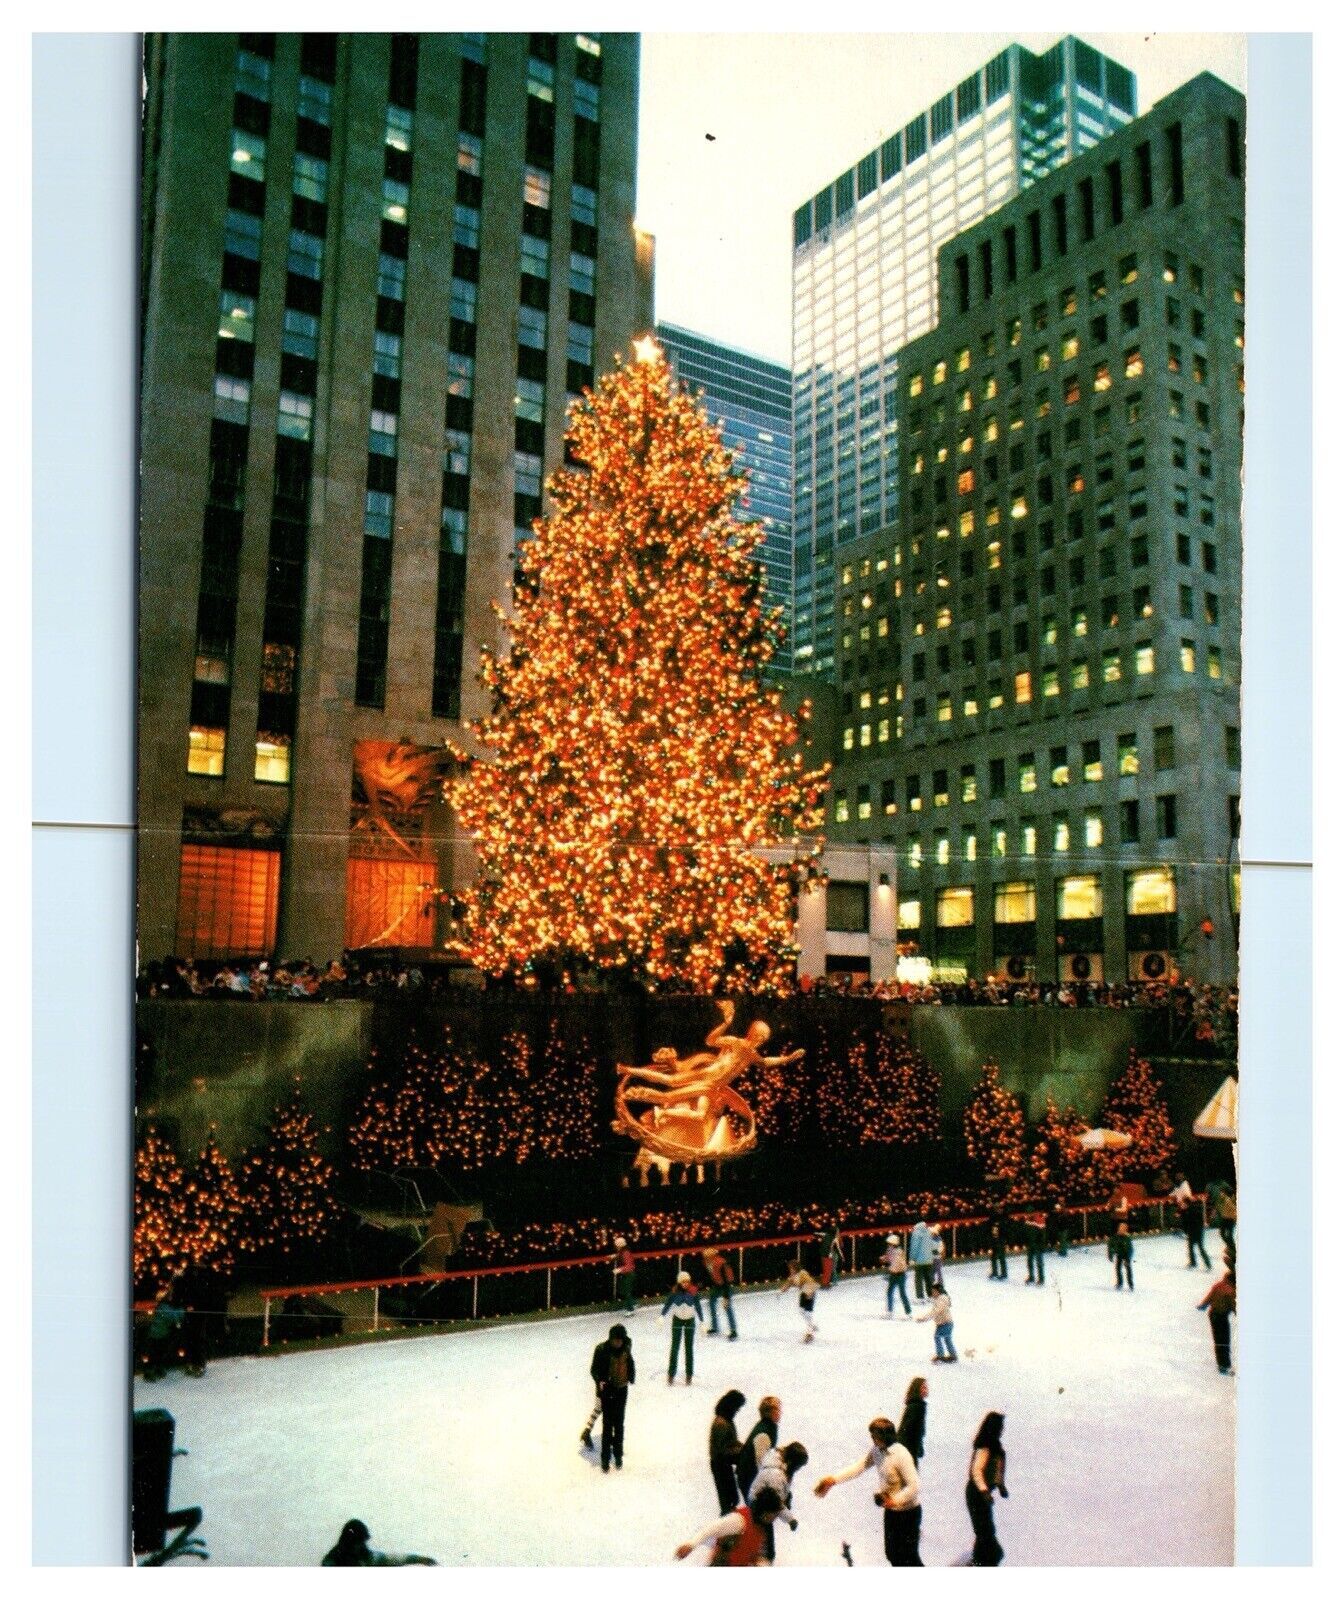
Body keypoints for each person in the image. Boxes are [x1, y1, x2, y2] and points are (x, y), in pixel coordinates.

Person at [813, 1416, 923, 1567]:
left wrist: (895, 1500)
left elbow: (914, 1486)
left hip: (908, 1514)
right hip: (892, 1513)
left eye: (874, 1436)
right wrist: (833, 1480)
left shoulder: (901, 1454)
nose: (872, 1439)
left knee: (909, 1558)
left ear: (885, 1436)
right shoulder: (877, 1451)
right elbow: (859, 1467)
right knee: (892, 1554)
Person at [675, 1486, 783, 1566]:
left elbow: (752, 1552)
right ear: (765, 1512)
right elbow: (710, 1529)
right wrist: (691, 1544)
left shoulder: (760, 1528)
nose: (775, 1518)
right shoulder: (738, 1521)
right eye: (774, 1514)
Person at [747, 1441, 809, 1564]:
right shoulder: (776, 1475)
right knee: (767, 1551)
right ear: (792, 1462)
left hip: (760, 1509)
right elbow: (775, 1504)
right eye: (799, 1466)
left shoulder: (777, 1467)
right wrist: (791, 1520)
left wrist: (787, 1496)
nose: (798, 1469)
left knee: (762, 1547)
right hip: (760, 1512)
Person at [589, 1323, 635, 1471]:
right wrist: (600, 1380)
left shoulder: (626, 1348)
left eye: (619, 1340)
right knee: (608, 1425)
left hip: (622, 1390)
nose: (617, 1343)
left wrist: (631, 1377)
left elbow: (630, 1363)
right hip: (607, 1391)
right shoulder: (601, 1350)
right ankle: (605, 1458)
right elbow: (594, 1369)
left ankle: (618, 1455)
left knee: (619, 1424)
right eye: (615, 1340)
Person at [965, 1413, 1009, 1566]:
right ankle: (986, 1559)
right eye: (1001, 1426)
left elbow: (997, 1469)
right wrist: (984, 1491)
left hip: (983, 1493)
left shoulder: (995, 1445)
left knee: (984, 1529)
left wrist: (1000, 1486)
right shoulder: (985, 1446)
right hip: (977, 1494)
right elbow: (977, 1471)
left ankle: (982, 1559)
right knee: (984, 1530)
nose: (1003, 1429)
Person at [320, 1519, 436, 1566]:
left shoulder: (366, 1557)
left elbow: (392, 1559)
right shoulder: (332, 1561)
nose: (361, 1545)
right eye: (359, 1542)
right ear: (350, 1542)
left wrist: (419, 1559)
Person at [736, 1396, 782, 1503]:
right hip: (749, 1478)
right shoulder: (764, 1433)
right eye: (777, 1410)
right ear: (770, 1412)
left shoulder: (769, 1426)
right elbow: (761, 1461)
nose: (780, 1413)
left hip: (751, 1476)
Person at [709, 1390, 747, 1513]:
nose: (738, 1411)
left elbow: (731, 1442)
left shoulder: (727, 1420)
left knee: (731, 1498)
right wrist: (741, 1451)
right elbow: (723, 1450)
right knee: (728, 1500)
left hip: (722, 1464)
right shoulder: (722, 1424)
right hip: (720, 1465)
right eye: (737, 1408)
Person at [663, 1270, 703, 1383]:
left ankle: (689, 1374)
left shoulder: (694, 1292)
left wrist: (702, 1321)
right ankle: (671, 1374)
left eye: (687, 1282)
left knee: (688, 1348)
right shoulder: (675, 1292)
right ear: (679, 1282)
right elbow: (668, 1304)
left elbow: (698, 1307)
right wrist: (662, 1315)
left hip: (690, 1321)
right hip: (677, 1321)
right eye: (683, 1282)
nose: (685, 1284)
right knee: (675, 1347)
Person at [1198, 1269, 1236, 1373]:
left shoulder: (1218, 1285)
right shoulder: (1231, 1291)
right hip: (1222, 1316)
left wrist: (1202, 1305)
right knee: (1224, 1340)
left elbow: (1209, 1297)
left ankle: (1222, 1364)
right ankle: (1224, 1365)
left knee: (1218, 1340)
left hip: (1213, 1315)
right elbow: (1234, 1306)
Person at [702, 1247, 738, 1339]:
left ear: (713, 1256)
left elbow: (726, 1280)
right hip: (717, 1285)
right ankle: (715, 1327)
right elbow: (711, 1275)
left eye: (707, 1256)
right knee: (711, 1303)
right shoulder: (706, 1263)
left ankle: (733, 1330)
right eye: (705, 1256)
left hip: (726, 1285)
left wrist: (726, 1297)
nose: (706, 1258)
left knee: (727, 1307)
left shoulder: (721, 1263)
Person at [781, 1260, 820, 1342]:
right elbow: (790, 1282)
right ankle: (812, 1325)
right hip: (803, 1292)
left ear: (795, 1268)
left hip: (810, 1290)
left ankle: (810, 1333)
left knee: (807, 1312)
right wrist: (784, 1289)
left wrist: (810, 1294)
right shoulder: (793, 1275)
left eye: (791, 1268)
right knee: (801, 1311)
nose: (790, 1270)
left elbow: (810, 1282)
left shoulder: (803, 1273)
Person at [895, 1377, 928, 1472]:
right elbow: (908, 1431)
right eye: (923, 1387)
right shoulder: (918, 1406)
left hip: (907, 1452)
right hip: (909, 1453)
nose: (926, 1390)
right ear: (917, 1388)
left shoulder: (913, 1405)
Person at [918, 1284, 957, 1362]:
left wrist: (924, 1318)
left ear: (938, 1292)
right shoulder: (940, 1299)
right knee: (947, 1338)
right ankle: (953, 1355)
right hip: (946, 1323)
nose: (932, 1293)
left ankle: (940, 1355)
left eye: (933, 1292)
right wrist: (924, 1318)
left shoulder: (941, 1300)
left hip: (945, 1323)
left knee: (937, 1337)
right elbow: (934, 1311)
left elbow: (936, 1311)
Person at [1180, 1195, 1212, 1269]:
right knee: (1190, 1248)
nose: (1182, 1205)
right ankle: (1193, 1263)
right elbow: (1184, 1223)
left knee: (1200, 1248)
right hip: (1191, 1231)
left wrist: (1198, 1228)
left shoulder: (1193, 1210)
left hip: (1197, 1231)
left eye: (1183, 1204)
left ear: (1186, 1204)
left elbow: (1199, 1220)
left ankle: (1208, 1264)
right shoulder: (1184, 1211)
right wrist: (1186, 1231)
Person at [882, 1234, 911, 1316]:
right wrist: (884, 1258)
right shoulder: (889, 1250)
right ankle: (890, 1311)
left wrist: (893, 1269)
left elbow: (900, 1264)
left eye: (889, 1243)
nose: (888, 1245)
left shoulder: (899, 1252)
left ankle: (908, 1312)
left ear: (893, 1244)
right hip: (893, 1275)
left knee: (902, 1293)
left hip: (900, 1275)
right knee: (889, 1292)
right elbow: (888, 1258)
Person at [908, 1216, 935, 1299]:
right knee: (929, 1279)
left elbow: (915, 1247)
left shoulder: (916, 1233)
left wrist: (912, 1258)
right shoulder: (928, 1232)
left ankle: (920, 1296)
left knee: (919, 1279)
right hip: (929, 1260)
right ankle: (930, 1295)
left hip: (919, 1261)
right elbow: (932, 1245)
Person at [1022, 1211, 1048, 1285]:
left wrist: (1041, 1245)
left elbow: (1043, 1235)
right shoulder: (1027, 1222)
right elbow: (1026, 1234)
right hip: (1030, 1245)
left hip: (1037, 1245)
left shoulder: (1039, 1220)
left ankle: (1041, 1279)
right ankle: (1031, 1277)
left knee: (1039, 1263)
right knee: (1029, 1262)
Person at [613, 1236, 636, 1313]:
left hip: (629, 1274)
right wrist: (614, 1256)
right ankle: (633, 1303)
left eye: (616, 1244)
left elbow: (629, 1265)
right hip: (626, 1274)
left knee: (626, 1291)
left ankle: (630, 1309)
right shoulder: (622, 1251)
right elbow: (620, 1256)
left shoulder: (625, 1252)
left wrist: (619, 1269)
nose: (616, 1245)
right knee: (623, 1289)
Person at [1109, 1221, 1135, 1290]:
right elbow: (1111, 1246)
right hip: (1119, 1254)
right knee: (1118, 1269)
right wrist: (1111, 1254)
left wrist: (1128, 1258)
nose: (1122, 1230)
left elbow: (1130, 1249)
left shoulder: (1127, 1238)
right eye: (1121, 1228)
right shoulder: (1115, 1238)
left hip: (1126, 1255)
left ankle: (1130, 1284)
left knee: (1128, 1269)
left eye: (1123, 1229)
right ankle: (1119, 1283)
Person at [820, 1219, 844, 1287]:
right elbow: (839, 1248)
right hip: (832, 1254)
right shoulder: (834, 1238)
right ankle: (832, 1281)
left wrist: (841, 1256)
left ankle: (833, 1281)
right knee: (832, 1268)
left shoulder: (834, 1238)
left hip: (832, 1254)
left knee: (831, 1268)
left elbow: (838, 1248)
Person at [987, 1211, 1008, 1280]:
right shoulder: (992, 1224)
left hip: (1000, 1242)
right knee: (993, 1257)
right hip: (994, 1241)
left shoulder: (1002, 1223)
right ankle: (995, 1272)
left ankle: (1003, 1274)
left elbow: (1004, 1233)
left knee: (1001, 1258)